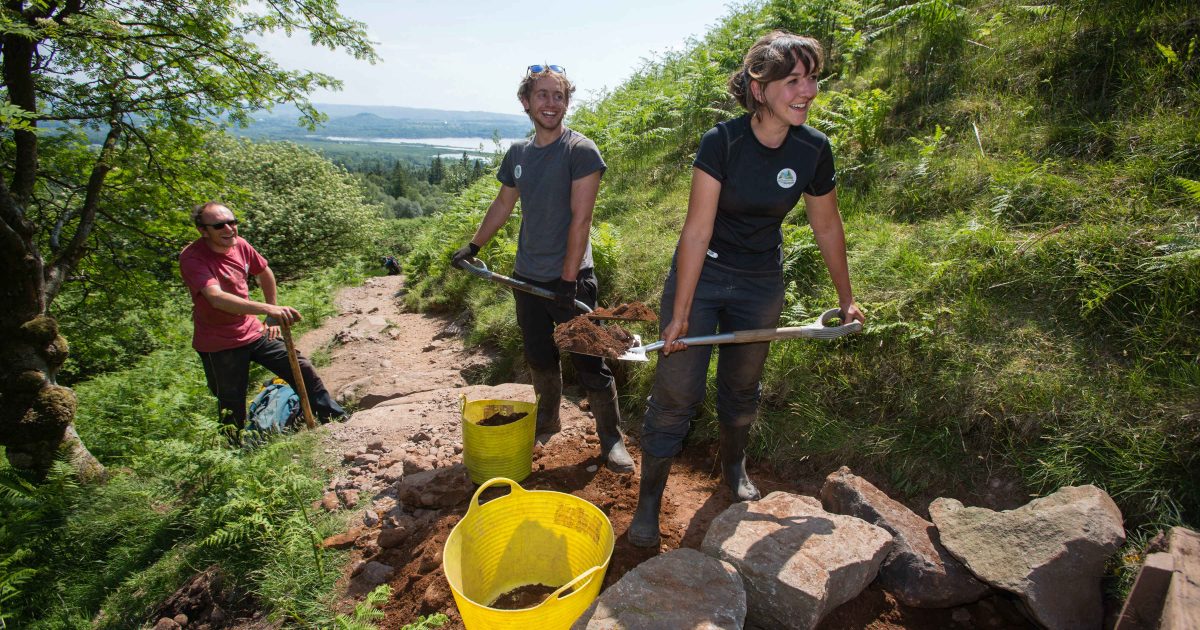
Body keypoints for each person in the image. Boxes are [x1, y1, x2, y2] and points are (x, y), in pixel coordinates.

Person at [627, 31, 867, 547]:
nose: (807, 91)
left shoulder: (813, 149)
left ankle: (732, 469)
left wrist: (846, 297)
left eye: (813, 79)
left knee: (742, 384)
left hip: (761, 280)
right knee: (676, 390)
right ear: (760, 89)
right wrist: (681, 313)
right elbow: (696, 230)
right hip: (705, 274)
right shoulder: (724, 142)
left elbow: (827, 226)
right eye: (793, 80)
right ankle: (648, 504)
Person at [450, 64, 634, 473]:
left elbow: (580, 220)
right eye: (543, 95)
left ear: (566, 103)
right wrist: (474, 245)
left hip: (571, 280)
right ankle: (548, 419)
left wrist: (569, 280)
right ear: (526, 102)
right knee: (538, 353)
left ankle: (611, 439)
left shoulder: (580, 151)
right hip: (526, 277)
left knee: (589, 359)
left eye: (559, 96)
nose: (551, 104)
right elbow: (503, 204)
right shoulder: (518, 154)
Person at [180, 201, 344, 442]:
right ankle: (233, 455)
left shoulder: (241, 245)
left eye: (232, 222)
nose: (229, 229)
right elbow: (216, 298)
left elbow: (264, 271)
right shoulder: (193, 258)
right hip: (219, 343)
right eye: (219, 225)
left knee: (300, 367)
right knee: (230, 400)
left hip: (253, 331)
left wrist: (270, 315)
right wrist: (270, 308)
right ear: (203, 230)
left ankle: (333, 419)